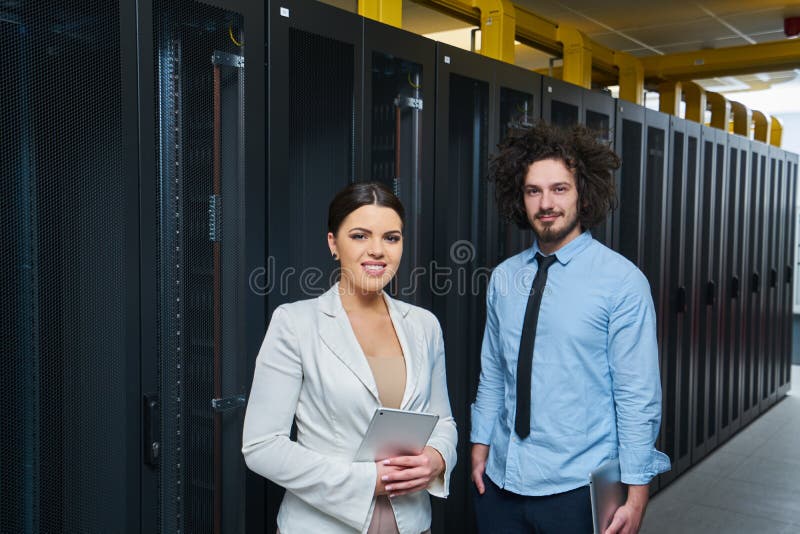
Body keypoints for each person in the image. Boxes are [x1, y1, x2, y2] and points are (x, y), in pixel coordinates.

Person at [470, 122, 671, 534]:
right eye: (533, 191)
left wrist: (637, 494)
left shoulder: (621, 282)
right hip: (499, 482)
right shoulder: (504, 278)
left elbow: (637, 395)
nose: (546, 203)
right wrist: (480, 444)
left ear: (583, 193)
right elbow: (493, 373)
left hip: (578, 490)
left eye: (559, 189)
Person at [242, 182, 457, 534]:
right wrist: (367, 481)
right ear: (333, 243)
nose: (377, 251)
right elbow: (261, 446)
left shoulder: (424, 326)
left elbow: (443, 421)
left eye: (391, 238)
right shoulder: (295, 323)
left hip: (412, 523)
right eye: (360, 236)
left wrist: (438, 458)